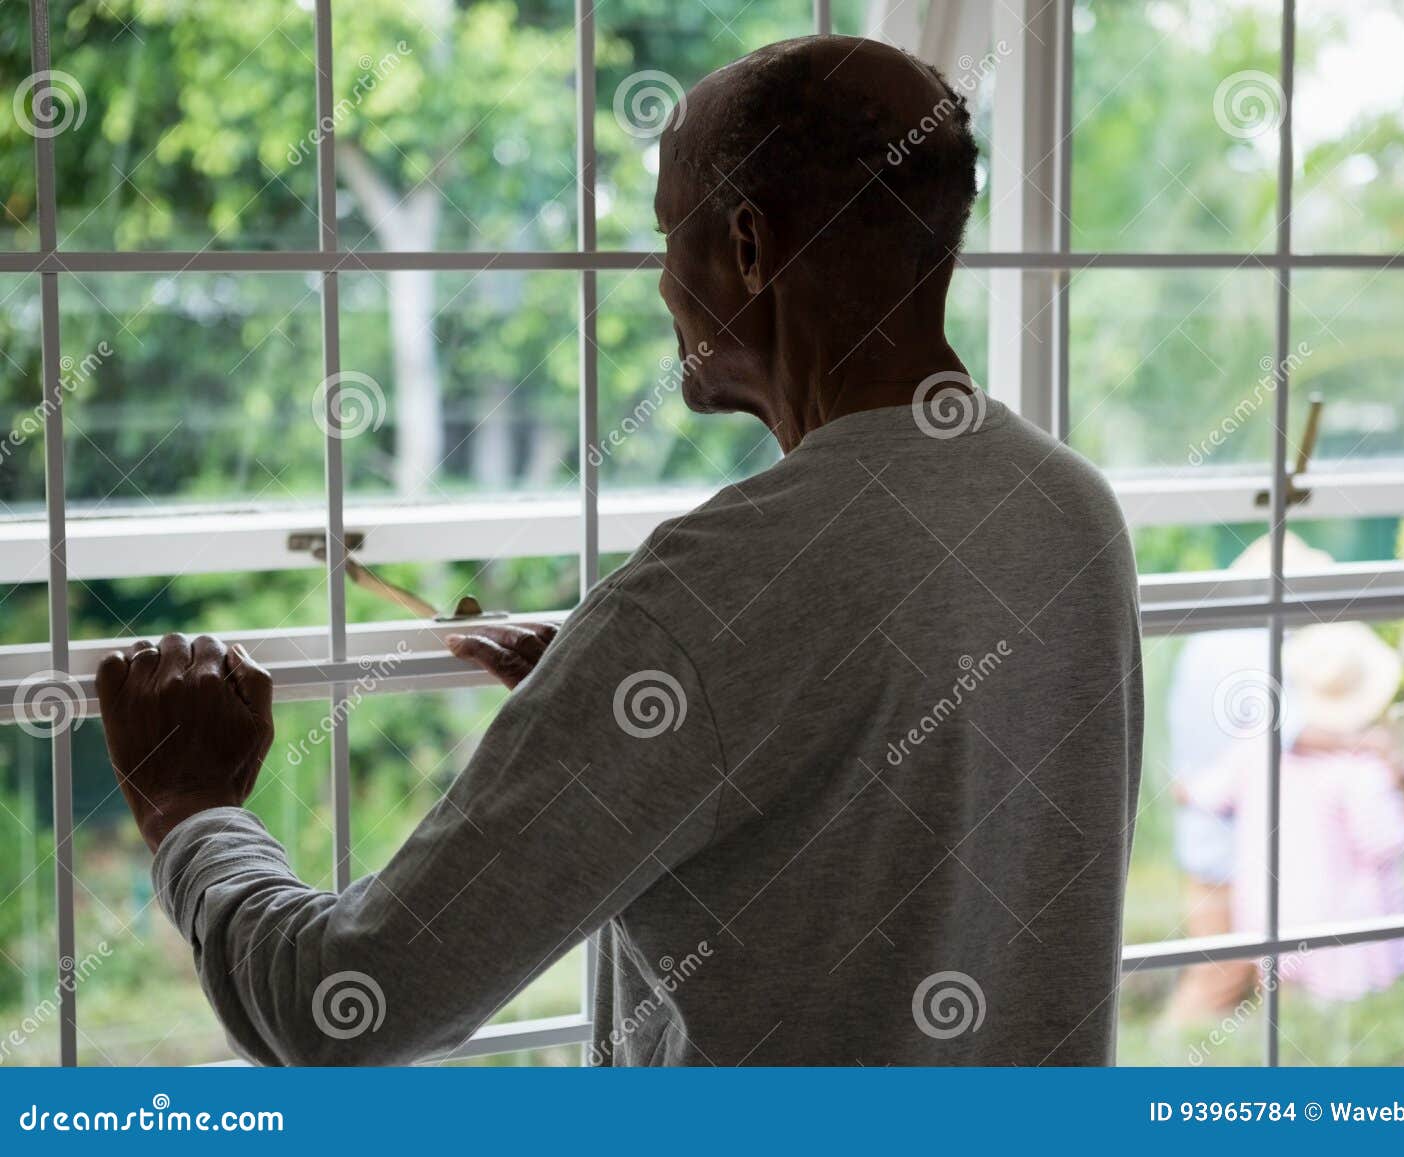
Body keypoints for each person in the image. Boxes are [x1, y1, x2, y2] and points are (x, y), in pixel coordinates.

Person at [94, 36, 1142, 1066]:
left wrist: (192, 810)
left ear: (748, 247)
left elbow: (344, 1005)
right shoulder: (1069, 509)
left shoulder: (714, 591)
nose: (659, 280)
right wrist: (619, 697)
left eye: (666, 232)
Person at [1186, 620, 1404, 1001]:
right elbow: (1384, 844)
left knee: (1283, 1016)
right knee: (1344, 1024)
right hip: (1342, 935)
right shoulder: (1363, 770)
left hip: (1268, 920)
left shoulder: (1256, 747)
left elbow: (1204, 793)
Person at [1162, 532, 1328, 1022]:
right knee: (1223, 977)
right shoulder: (1254, 648)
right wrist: (1370, 743)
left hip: (1209, 830)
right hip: (1234, 842)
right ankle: (1164, 1054)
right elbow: (1290, 730)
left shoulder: (1208, 639)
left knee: (1234, 975)